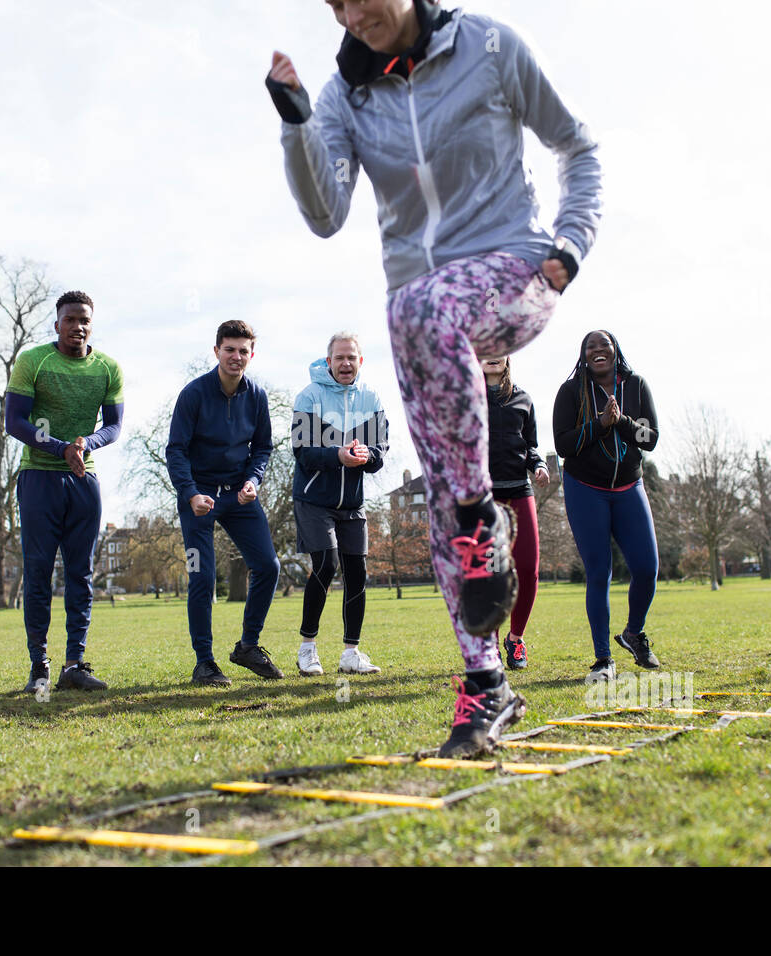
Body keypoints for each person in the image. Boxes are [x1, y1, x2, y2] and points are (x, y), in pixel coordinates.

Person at [267, 0, 601, 755]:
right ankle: (485, 685)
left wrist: (571, 245)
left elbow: (578, 147)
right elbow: (326, 213)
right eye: (336, 6)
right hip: (421, 320)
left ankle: (485, 513)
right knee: (443, 500)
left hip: (518, 268)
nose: (354, 15)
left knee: (421, 316)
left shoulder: (490, 45)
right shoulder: (345, 93)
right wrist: (295, 126)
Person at [5, 290, 124, 694]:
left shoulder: (108, 368)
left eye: (85, 320)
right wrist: (60, 448)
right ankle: (39, 665)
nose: (78, 326)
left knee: (81, 574)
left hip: (83, 481)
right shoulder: (33, 361)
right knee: (38, 573)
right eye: (70, 319)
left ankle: (75, 663)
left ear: (93, 324)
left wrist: (84, 446)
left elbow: (113, 427)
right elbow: (14, 421)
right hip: (39, 477)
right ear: (57, 324)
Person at [167, 320, 283, 687]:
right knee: (201, 577)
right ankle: (204, 663)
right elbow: (176, 450)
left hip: (239, 495)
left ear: (252, 355)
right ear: (216, 350)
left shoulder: (257, 397)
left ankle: (248, 646)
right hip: (198, 497)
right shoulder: (194, 394)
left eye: (243, 351)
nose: (236, 356)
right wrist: (190, 494)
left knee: (268, 566)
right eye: (229, 349)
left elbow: (263, 448)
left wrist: (252, 480)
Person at [553, 330, 660, 683]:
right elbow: (564, 445)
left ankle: (633, 633)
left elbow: (650, 439)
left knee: (647, 568)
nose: (598, 351)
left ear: (615, 351)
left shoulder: (636, 385)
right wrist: (600, 424)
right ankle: (603, 659)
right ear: (584, 355)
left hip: (630, 487)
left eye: (605, 345)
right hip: (586, 490)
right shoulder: (571, 391)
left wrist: (622, 421)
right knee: (600, 573)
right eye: (590, 347)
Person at [291, 332, 389, 676]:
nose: (346, 364)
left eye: (352, 358)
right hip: (314, 500)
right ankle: (307, 648)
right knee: (326, 563)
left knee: (357, 573)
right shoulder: (309, 396)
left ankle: (351, 654)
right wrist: (338, 455)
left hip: (353, 504)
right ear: (328, 361)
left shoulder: (371, 397)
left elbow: (380, 451)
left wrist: (366, 456)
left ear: (360, 362)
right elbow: (302, 453)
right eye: (339, 358)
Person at [482, 356, 548, 671]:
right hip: (485, 497)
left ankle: (516, 638)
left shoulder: (523, 399)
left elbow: (531, 446)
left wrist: (539, 465)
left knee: (529, 571)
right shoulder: (467, 400)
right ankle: (490, 647)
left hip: (520, 492)